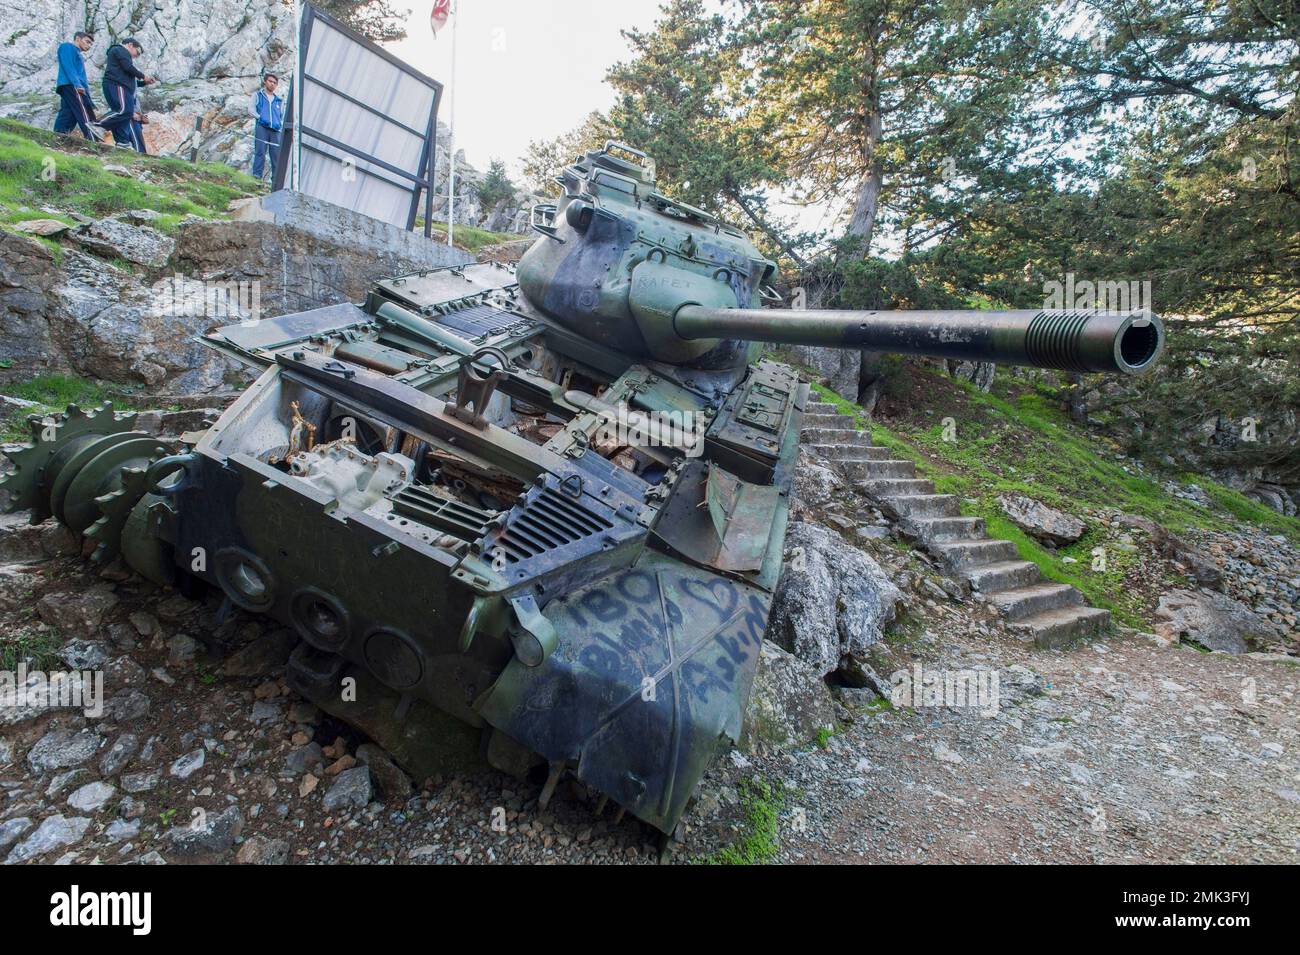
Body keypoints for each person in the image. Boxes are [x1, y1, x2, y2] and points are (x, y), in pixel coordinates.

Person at [99, 36, 155, 152]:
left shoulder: (123, 66)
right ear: (130, 45)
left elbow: (133, 81)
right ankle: (98, 125)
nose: (137, 55)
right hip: (117, 85)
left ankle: (122, 142)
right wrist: (143, 76)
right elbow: (128, 67)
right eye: (137, 52)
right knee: (125, 111)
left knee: (122, 115)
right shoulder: (120, 50)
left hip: (121, 87)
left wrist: (143, 82)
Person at [53, 31, 101, 141]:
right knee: (85, 112)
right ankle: (93, 140)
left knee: (68, 114)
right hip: (72, 86)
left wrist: (89, 98)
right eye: (87, 42)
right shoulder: (67, 47)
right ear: (78, 39)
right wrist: (77, 84)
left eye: (91, 44)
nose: (89, 46)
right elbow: (68, 66)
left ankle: (59, 137)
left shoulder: (76, 52)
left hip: (71, 86)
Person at [250, 72, 284, 181]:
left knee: (276, 156)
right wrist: (260, 117)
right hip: (262, 127)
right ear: (265, 82)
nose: (272, 84)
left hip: (275, 130)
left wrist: (279, 124)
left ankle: (276, 180)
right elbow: (251, 109)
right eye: (270, 81)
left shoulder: (278, 100)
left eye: (275, 83)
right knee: (260, 152)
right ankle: (256, 176)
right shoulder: (258, 95)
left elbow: (282, 115)